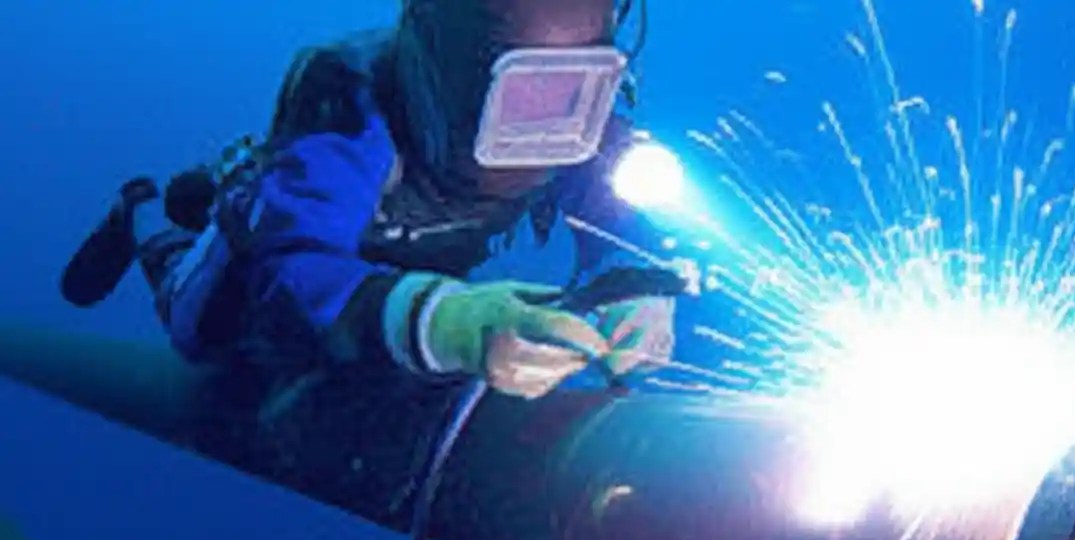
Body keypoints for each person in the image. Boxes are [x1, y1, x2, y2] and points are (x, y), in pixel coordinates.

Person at [63, 0, 676, 401]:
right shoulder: (351, 108)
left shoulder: (587, 122)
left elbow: (624, 217)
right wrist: (454, 322)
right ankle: (142, 210)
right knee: (197, 327)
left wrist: (637, 289)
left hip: (409, 254)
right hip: (296, 230)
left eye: (581, 89)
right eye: (527, 93)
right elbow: (293, 266)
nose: (552, 128)